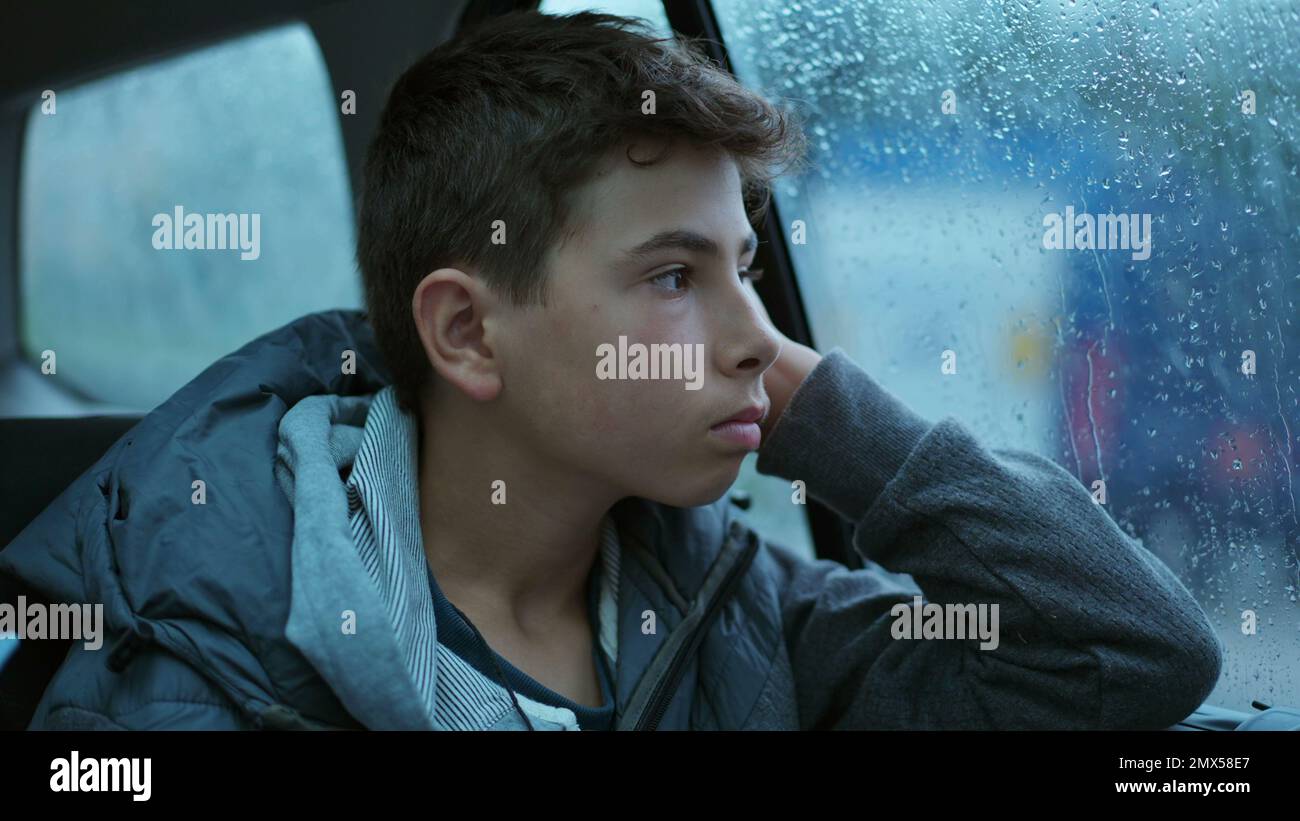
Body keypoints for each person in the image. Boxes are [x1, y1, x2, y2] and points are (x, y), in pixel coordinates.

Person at [0, 10, 1221, 730]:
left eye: (748, 267)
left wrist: (829, 418)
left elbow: (1137, 652)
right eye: (675, 275)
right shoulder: (181, 666)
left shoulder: (745, 620)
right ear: (469, 334)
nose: (760, 337)